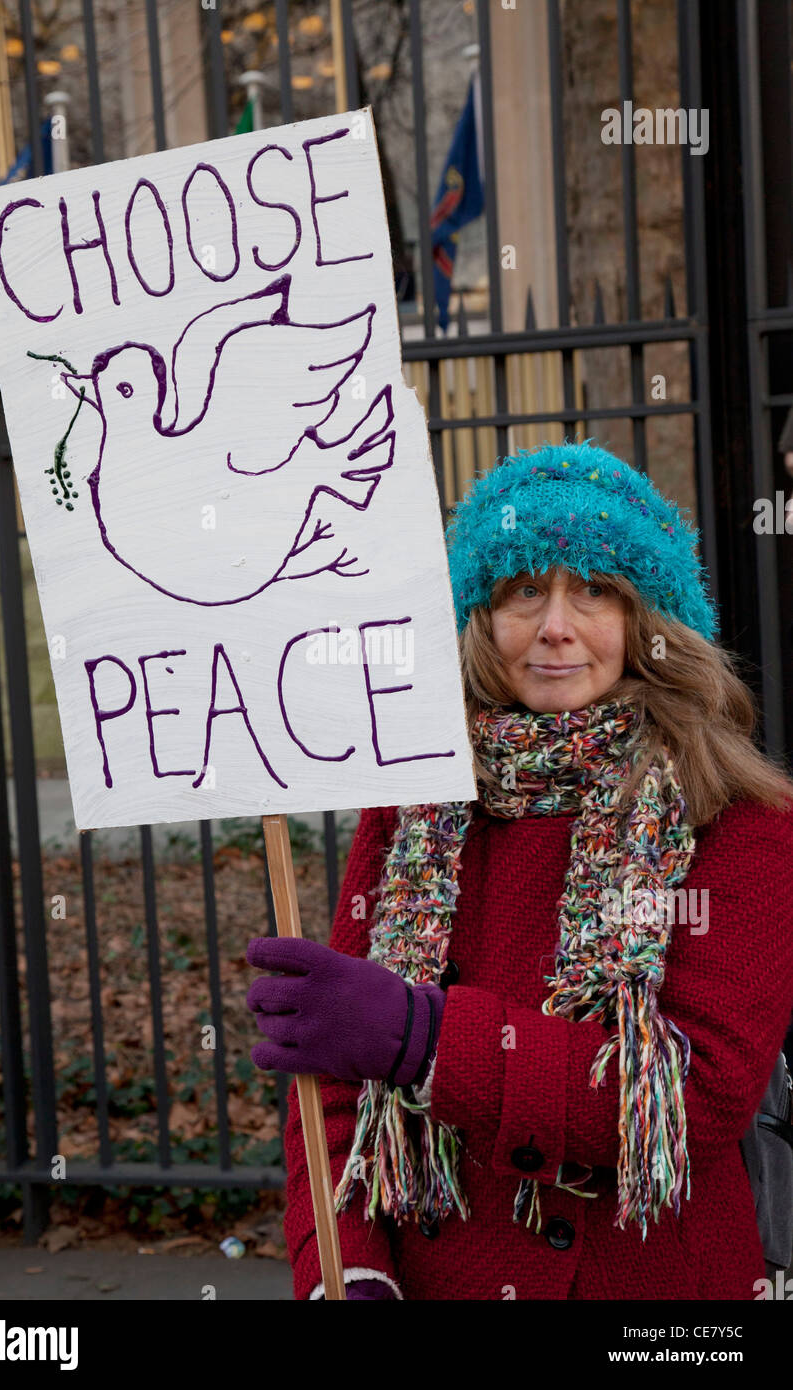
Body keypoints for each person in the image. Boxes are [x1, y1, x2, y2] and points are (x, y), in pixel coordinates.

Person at [245, 438, 793, 1301]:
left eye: (598, 591)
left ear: (651, 622)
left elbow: (694, 1095)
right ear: (477, 617)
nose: (556, 627)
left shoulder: (738, 816)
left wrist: (423, 1039)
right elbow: (337, 1095)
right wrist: (347, 1266)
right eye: (523, 588)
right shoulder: (412, 806)